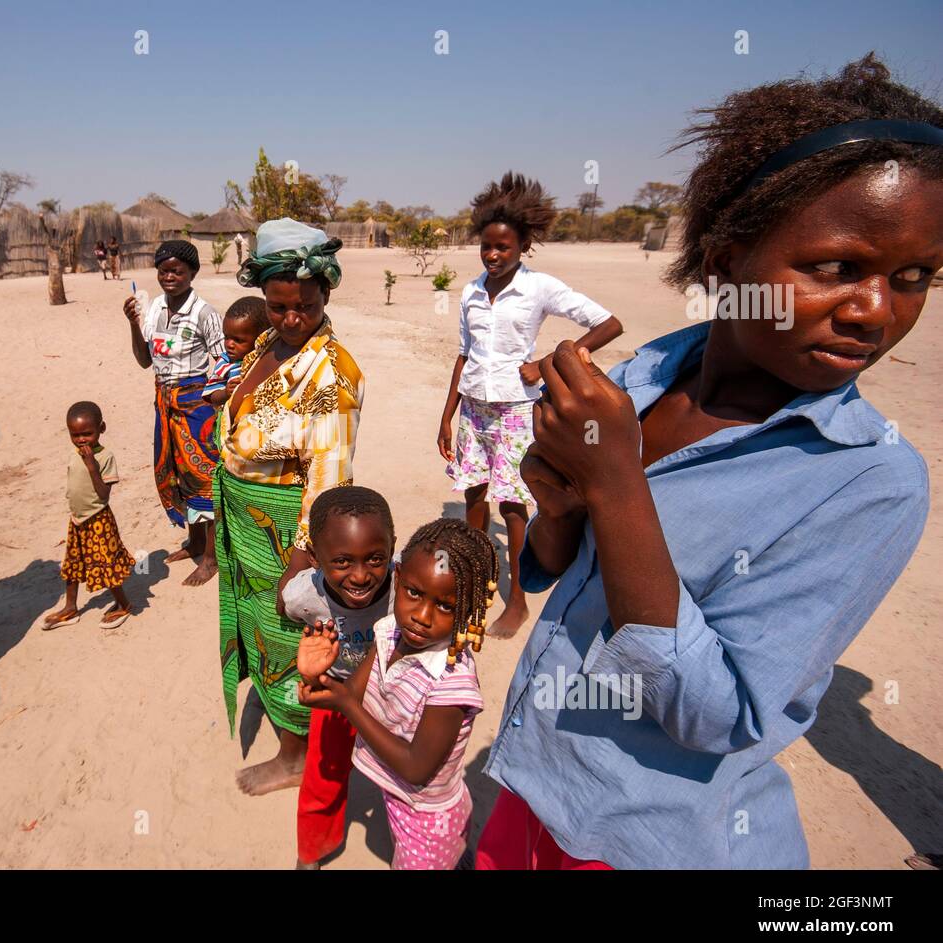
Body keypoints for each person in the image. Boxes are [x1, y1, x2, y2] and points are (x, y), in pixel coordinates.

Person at [476, 53, 942, 870]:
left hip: (644, 838)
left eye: (914, 278)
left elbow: (718, 715)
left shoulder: (867, 482)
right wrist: (560, 507)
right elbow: (554, 568)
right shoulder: (644, 379)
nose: (876, 311)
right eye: (837, 268)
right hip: (533, 780)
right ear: (727, 262)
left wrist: (617, 485)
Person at [437, 171, 622, 640]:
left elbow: (607, 323)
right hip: (474, 411)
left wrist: (546, 361)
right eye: (487, 247)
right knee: (473, 499)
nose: (494, 255)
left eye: (503, 247)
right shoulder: (470, 292)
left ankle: (516, 599)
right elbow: (465, 354)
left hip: (517, 412)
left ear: (523, 246)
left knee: (514, 506)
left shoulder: (540, 288)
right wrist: (447, 414)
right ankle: (476, 584)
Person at [216, 218, 363, 797]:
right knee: (257, 626)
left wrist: (303, 555)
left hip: (284, 530)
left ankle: (296, 755)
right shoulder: (264, 346)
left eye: (304, 305)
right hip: (243, 520)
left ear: (325, 293)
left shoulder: (331, 373)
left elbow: (329, 474)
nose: (292, 318)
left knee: (287, 640)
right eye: (278, 306)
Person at [299, 519, 498, 869]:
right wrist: (318, 678)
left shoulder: (450, 681)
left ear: (473, 608)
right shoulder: (391, 630)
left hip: (426, 819)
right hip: (396, 794)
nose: (421, 616)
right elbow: (353, 693)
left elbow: (416, 767)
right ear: (399, 577)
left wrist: (344, 703)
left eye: (447, 606)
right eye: (414, 593)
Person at [284, 486, 395, 869]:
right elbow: (288, 605)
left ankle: (426, 841)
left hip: (392, 693)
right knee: (323, 775)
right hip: (333, 694)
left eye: (376, 558)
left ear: (394, 548)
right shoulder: (305, 596)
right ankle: (311, 851)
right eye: (342, 562)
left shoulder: (404, 587)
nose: (362, 576)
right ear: (315, 559)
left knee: (404, 776)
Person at [122, 240, 224, 586]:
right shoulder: (153, 310)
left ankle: (210, 558)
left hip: (196, 405)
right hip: (164, 403)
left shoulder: (204, 313)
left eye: (177, 271)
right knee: (176, 472)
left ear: (192, 273)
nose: (169, 277)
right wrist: (133, 324)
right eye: (163, 270)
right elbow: (144, 361)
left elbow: (224, 361)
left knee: (204, 477)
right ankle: (194, 542)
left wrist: (216, 401)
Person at [42, 401, 135, 631]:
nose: (81, 440)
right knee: (73, 565)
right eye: (75, 435)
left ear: (101, 429)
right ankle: (70, 607)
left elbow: (104, 495)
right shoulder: (75, 454)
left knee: (106, 565)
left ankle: (123, 604)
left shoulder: (105, 457)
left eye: (87, 434)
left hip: (98, 520)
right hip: (77, 520)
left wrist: (92, 465)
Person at [202, 296, 268, 408]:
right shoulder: (225, 362)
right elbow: (210, 395)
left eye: (238, 340)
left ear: (261, 338)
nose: (229, 344)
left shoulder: (267, 358)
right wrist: (225, 393)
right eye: (226, 337)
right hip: (232, 421)